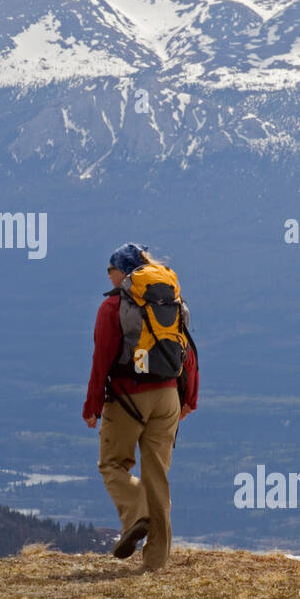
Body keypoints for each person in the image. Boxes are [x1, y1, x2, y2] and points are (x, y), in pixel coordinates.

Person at [83, 242, 198, 572]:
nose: (108, 276)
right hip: (168, 398)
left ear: (122, 271)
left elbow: (101, 360)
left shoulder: (113, 307)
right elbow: (187, 353)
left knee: (112, 464)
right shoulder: (173, 302)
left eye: (110, 270)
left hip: (127, 395)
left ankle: (137, 514)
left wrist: (91, 406)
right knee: (157, 477)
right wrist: (189, 399)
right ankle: (155, 563)